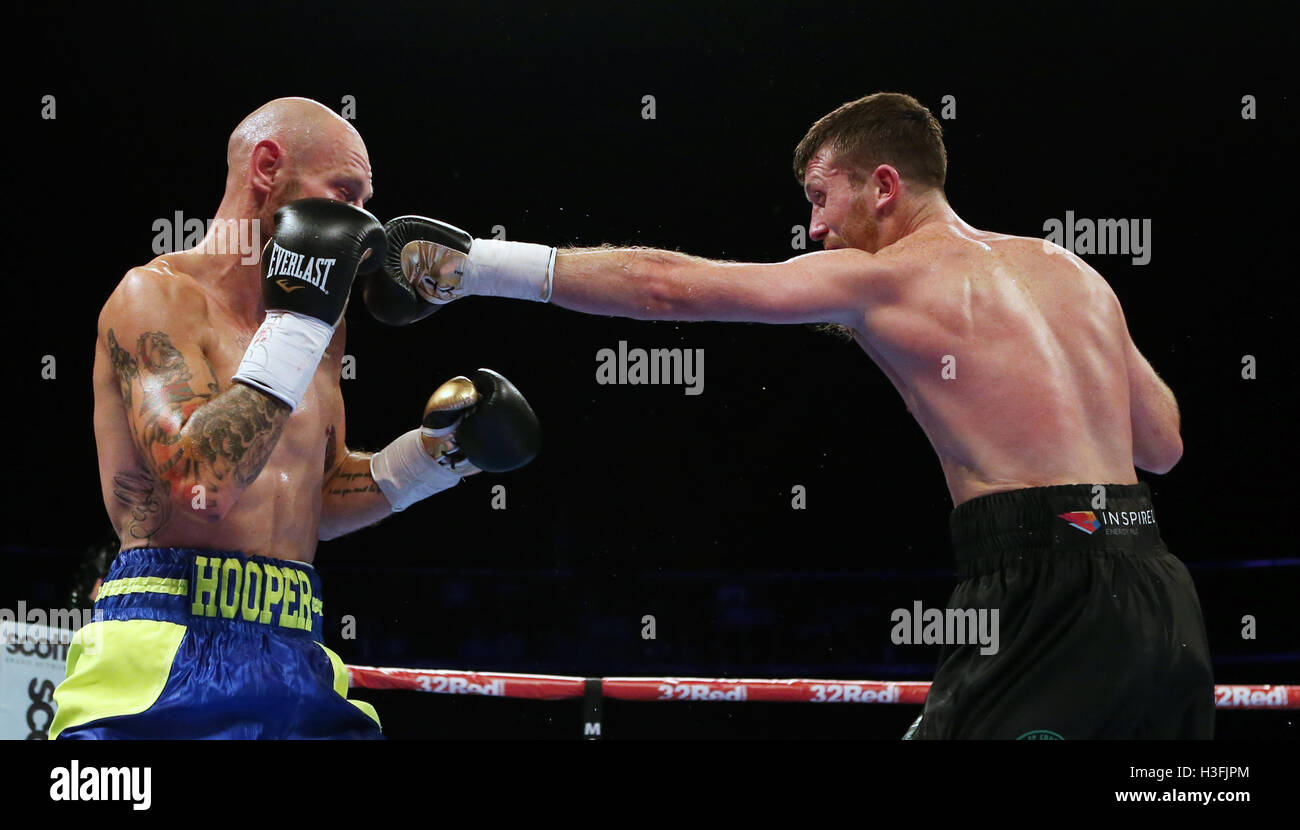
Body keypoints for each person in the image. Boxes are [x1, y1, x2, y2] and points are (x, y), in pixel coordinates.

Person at [368, 92, 1214, 739]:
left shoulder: (887, 277)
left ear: (884, 185)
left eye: (821, 198)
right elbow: (1164, 445)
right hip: (1160, 592)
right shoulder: (1071, 270)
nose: (812, 229)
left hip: (1042, 585)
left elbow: (667, 285)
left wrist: (478, 267)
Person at [52, 98, 539, 740]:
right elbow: (200, 487)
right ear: (266, 168)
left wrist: (436, 456)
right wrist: (299, 322)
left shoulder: (321, 330)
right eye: (346, 192)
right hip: (167, 647)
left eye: (367, 201)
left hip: (297, 646)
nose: (364, 223)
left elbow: (317, 494)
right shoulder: (156, 297)